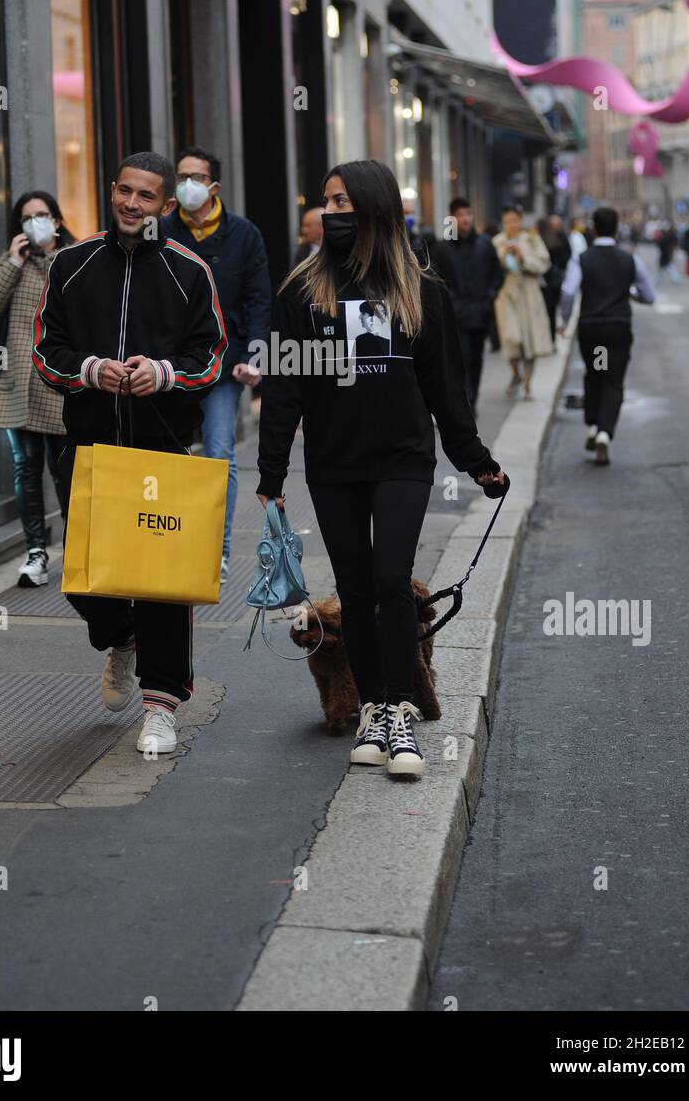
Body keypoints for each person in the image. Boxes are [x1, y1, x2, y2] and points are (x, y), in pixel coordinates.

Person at [256, 159, 506, 780]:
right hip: (334, 463)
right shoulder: (300, 293)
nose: (328, 212)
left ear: (372, 207)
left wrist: (475, 462)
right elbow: (283, 389)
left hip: (402, 459)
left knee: (392, 579)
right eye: (324, 201)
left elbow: (446, 388)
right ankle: (371, 707)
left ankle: (397, 709)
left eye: (341, 202)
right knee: (356, 587)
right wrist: (271, 475)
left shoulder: (420, 289)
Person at [33, 152, 227, 756]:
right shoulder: (70, 264)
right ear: (111, 191)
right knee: (85, 580)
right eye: (124, 191)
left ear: (167, 206)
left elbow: (214, 354)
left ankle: (162, 706)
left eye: (146, 196)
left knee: (162, 584)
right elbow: (44, 349)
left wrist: (165, 375)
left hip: (160, 448)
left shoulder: (188, 271)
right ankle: (120, 638)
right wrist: (89, 371)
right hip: (87, 446)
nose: (130, 204)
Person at [164, 146, 271, 580]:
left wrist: (254, 356)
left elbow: (259, 300)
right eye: (182, 175)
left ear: (213, 186)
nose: (187, 183)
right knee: (169, 455)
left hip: (224, 364)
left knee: (220, 456)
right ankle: (170, 540)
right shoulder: (162, 230)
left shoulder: (244, 234)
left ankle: (216, 549)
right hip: (169, 365)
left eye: (196, 176)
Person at [0, 191, 75, 587]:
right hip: (18, 383)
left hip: (61, 383)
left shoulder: (75, 258)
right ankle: (36, 552)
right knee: (25, 468)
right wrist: (15, 261)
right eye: (27, 217)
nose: (35, 221)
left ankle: (76, 548)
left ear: (56, 219)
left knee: (65, 471)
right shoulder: (10, 262)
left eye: (42, 214)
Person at [559, 204, 654, 466]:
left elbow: (568, 292)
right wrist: (628, 292)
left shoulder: (582, 259)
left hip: (592, 328)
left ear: (594, 228)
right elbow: (648, 295)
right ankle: (604, 433)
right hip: (617, 329)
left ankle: (592, 425)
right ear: (616, 229)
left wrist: (564, 320)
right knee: (613, 381)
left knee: (595, 374)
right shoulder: (629, 259)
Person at [430, 197, 503, 408]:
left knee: (477, 359)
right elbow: (436, 277)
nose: (466, 219)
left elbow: (498, 273)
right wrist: (450, 299)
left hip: (480, 314)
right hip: (456, 315)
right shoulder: (443, 247)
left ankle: (473, 399)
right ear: (452, 218)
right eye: (461, 215)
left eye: (468, 214)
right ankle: (465, 401)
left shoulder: (484, 244)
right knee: (461, 358)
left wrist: (490, 294)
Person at [492, 207, 553, 399]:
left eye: (515, 220)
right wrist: (504, 255)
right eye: (507, 220)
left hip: (529, 294)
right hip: (507, 295)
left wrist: (523, 257)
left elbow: (543, 264)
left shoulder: (531, 239)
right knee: (511, 338)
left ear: (521, 220)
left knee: (530, 340)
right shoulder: (497, 242)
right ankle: (515, 373)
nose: (512, 224)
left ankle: (527, 383)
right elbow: (491, 267)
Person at [538, 214, 572, 343]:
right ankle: (551, 339)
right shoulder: (559, 238)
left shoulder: (542, 240)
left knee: (546, 311)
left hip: (546, 281)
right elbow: (567, 256)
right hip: (554, 280)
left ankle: (547, 339)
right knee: (551, 311)